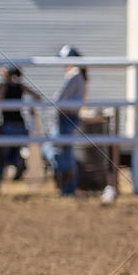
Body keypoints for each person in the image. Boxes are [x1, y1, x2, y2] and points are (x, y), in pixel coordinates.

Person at [0, 65, 42, 194]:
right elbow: (37, 96)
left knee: (1, 157)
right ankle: (19, 164)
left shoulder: (4, 86)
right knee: (15, 152)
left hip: (8, 126)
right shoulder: (20, 86)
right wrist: (32, 107)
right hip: (20, 126)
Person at [46, 45, 86, 195]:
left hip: (67, 117)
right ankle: (67, 186)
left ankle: (67, 185)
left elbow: (61, 97)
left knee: (59, 151)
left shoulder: (74, 75)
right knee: (63, 151)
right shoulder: (76, 75)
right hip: (68, 117)